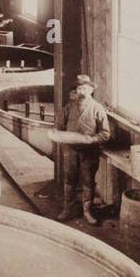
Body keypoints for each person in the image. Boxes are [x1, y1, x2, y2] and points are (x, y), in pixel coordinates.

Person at [57, 74, 113, 226]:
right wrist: (65, 140)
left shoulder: (97, 108)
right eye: (79, 88)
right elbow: (59, 128)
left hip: (89, 152)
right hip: (70, 150)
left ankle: (87, 211)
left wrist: (92, 140)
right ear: (76, 91)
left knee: (88, 181)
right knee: (69, 180)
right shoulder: (69, 107)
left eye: (85, 88)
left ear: (91, 90)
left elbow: (105, 133)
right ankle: (67, 209)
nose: (82, 91)